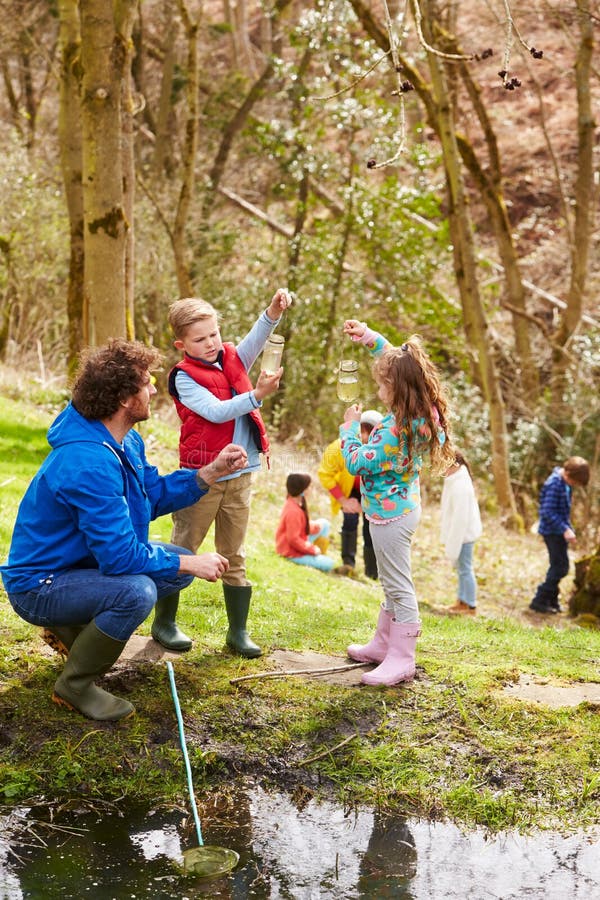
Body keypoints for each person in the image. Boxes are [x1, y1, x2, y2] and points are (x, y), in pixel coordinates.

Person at [0, 339, 248, 722]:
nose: (153, 390)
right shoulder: (88, 461)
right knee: (138, 591)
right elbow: (120, 558)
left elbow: (148, 497)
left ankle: (76, 637)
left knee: (175, 565)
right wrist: (190, 565)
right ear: (124, 399)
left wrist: (209, 473)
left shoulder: (124, 439)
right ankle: (75, 684)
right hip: (39, 586)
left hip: (76, 567)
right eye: (146, 383)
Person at [167, 288, 292, 658]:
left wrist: (272, 311)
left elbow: (256, 338)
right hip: (202, 476)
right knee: (183, 548)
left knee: (234, 553)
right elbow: (217, 411)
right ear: (181, 344)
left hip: (241, 476)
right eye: (199, 339)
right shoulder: (183, 377)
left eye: (213, 334)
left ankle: (237, 632)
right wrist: (257, 395)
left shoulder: (233, 357)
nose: (210, 344)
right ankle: (165, 622)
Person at [339, 320, 454, 686]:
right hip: (403, 507)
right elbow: (400, 363)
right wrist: (371, 338)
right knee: (390, 582)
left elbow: (356, 462)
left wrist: (348, 429)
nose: (378, 388)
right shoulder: (421, 412)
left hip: (389, 518)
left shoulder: (391, 432)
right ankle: (382, 644)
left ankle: (402, 658)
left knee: (398, 585)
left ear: (396, 388)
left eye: (381, 383)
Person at [318, 409, 384, 579]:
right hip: (350, 492)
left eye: (370, 433)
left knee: (371, 529)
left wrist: (371, 503)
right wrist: (343, 500)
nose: (365, 437)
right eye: (362, 432)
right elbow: (325, 473)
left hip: (372, 492)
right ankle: (348, 564)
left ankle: (373, 572)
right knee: (350, 519)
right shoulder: (339, 447)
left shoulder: (383, 447)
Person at [529, 456, 590, 614]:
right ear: (568, 473)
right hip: (552, 532)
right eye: (574, 482)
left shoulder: (564, 483)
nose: (574, 485)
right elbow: (547, 512)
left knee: (558, 565)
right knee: (561, 567)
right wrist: (564, 529)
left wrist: (568, 528)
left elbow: (562, 512)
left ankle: (552, 600)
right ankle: (540, 599)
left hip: (559, 532)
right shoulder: (554, 484)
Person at [439, 451, 482, 615]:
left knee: (465, 569)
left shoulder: (461, 485)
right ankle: (461, 600)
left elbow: (460, 518)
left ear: (454, 465)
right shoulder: (454, 481)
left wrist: (453, 543)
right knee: (461, 569)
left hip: (464, 535)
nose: (443, 470)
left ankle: (470, 605)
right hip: (460, 534)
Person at [275, 473, 335, 572]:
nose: (310, 489)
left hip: (297, 543)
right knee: (329, 564)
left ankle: (319, 555)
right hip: (291, 552)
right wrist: (311, 549)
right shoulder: (293, 511)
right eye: (308, 487)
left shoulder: (294, 502)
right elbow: (293, 540)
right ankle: (317, 556)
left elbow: (299, 526)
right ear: (302, 490)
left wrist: (312, 527)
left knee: (324, 524)